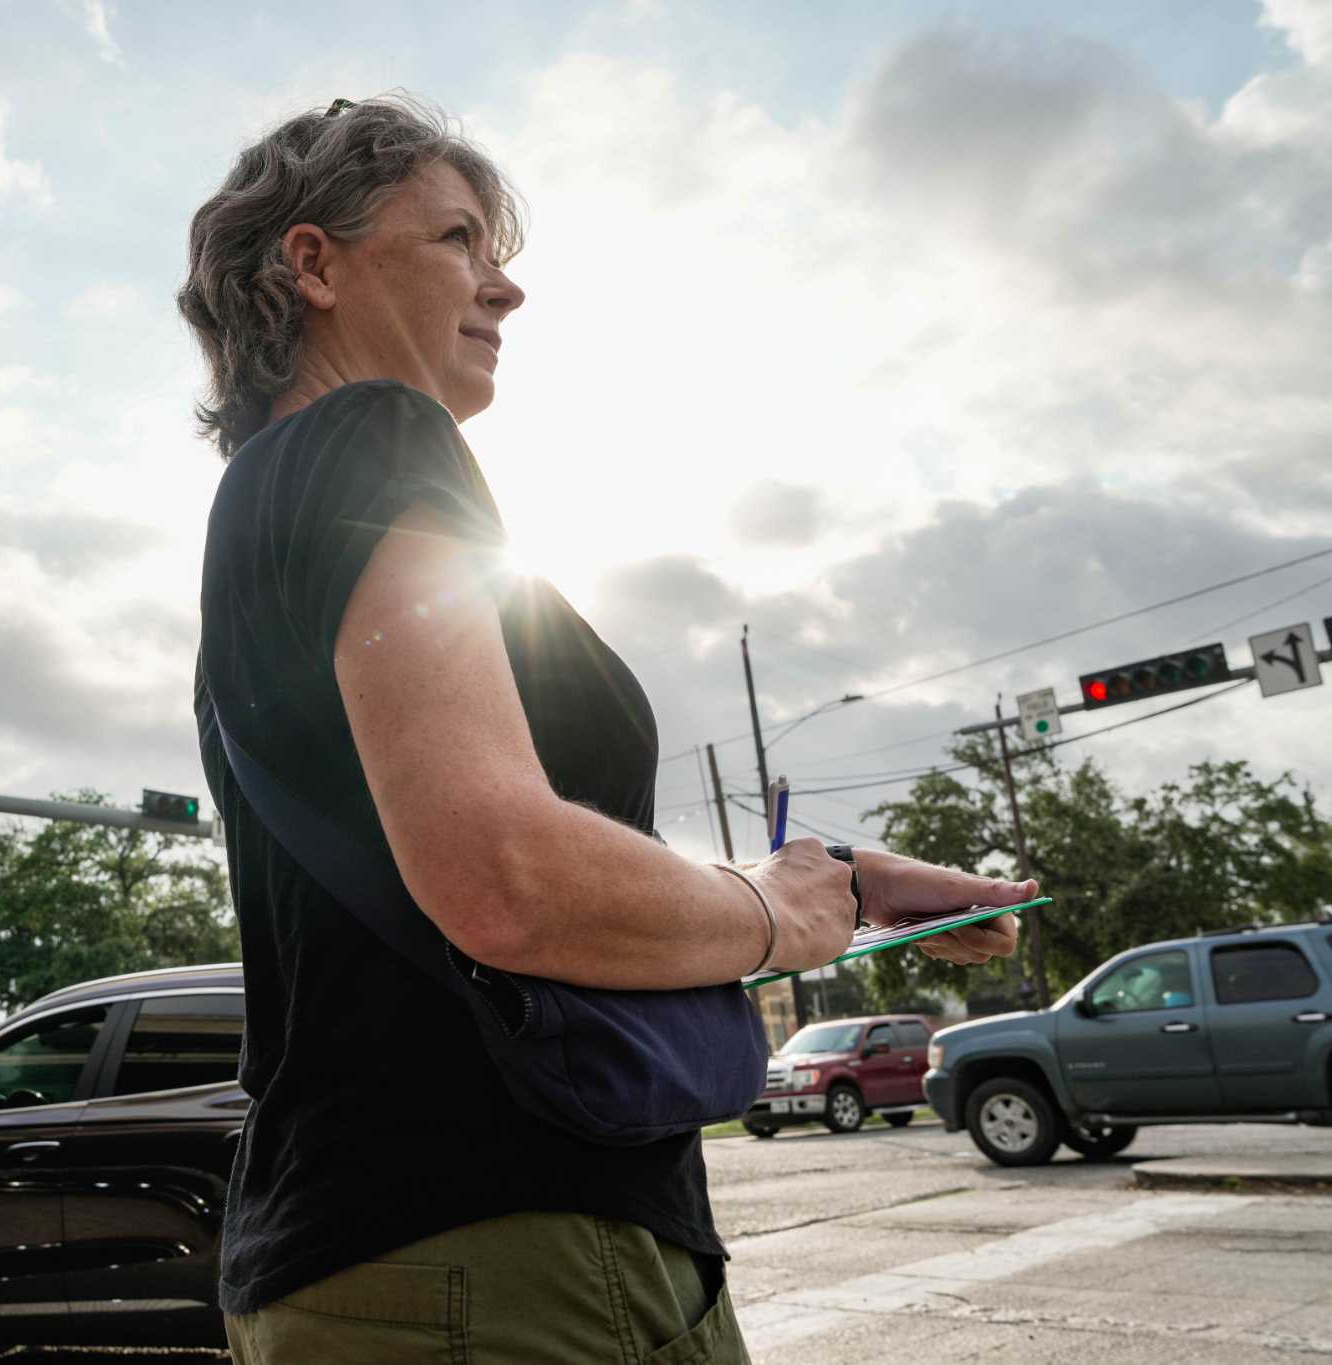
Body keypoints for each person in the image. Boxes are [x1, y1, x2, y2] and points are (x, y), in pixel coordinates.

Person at [181, 94, 1029, 1365]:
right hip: (510, 1252)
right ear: (312, 263)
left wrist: (837, 885)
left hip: (353, 1255)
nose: (504, 288)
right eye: (458, 240)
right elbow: (505, 876)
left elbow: (469, 868)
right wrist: (770, 916)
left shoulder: (262, 510)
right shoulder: (376, 433)